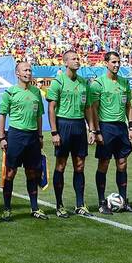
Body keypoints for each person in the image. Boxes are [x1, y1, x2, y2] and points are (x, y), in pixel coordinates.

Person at [0, 60, 48, 221]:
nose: (28, 73)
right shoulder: (10, 92)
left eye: (30, 70)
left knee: (32, 173)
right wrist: (2, 137)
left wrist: (40, 136)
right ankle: (7, 209)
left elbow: (39, 115)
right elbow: (2, 115)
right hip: (16, 136)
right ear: (17, 73)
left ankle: (34, 208)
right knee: (10, 173)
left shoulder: (36, 92)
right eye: (25, 70)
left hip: (32, 137)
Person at [88, 51, 132, 214]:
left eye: (118, 62)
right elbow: (93, 109)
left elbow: (129, 105)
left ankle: (123, 200)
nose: (116, 65)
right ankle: (102, 202)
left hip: (121, 128)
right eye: (113, 62)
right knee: (104, 163)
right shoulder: (98, 84)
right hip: (105, 127)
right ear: (106, 63)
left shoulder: (124, 82)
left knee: (122, 163)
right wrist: (95, 130)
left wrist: (131, 126)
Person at [47, 49, 91, 217]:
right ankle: (59, 205)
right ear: (65, 62)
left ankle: (80, 204)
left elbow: (87, 108)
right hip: (63, 124)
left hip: (79, 126)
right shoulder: (58, 82)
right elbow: (51, 108)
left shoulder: (83, 83)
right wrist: (54, 132)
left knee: (80, 165)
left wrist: (91, 129)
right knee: (61, 165)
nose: (77, 61)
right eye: (73, 59)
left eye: (78, 58)